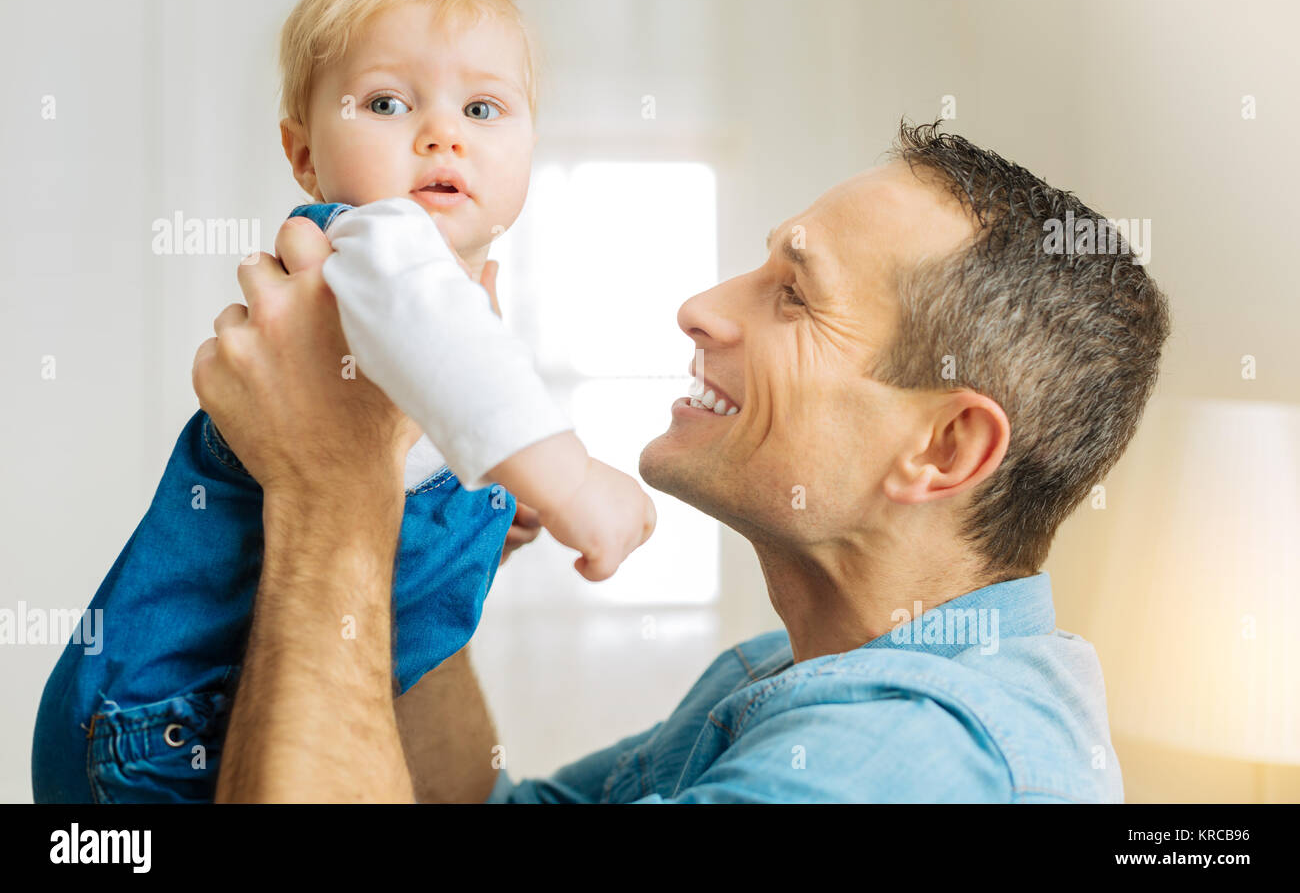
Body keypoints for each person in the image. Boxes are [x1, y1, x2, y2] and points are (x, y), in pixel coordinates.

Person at [196, 120, 1171, 803]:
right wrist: (412, 534)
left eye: (791, 294)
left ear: (944, 447)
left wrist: (330, 487)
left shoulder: (905, 755)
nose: (702, 306)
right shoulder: (782, 670)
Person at [31, 0, 653, 804]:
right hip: (172, 724)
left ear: (532, 145)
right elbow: (439, 344)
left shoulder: (449, 302)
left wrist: (486, 495)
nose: (442, 134)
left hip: (195, 720)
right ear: (304, 156)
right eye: (388, 104)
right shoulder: (372, 245)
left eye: (482, 107)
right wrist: (572, 478)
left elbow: (441, 397)